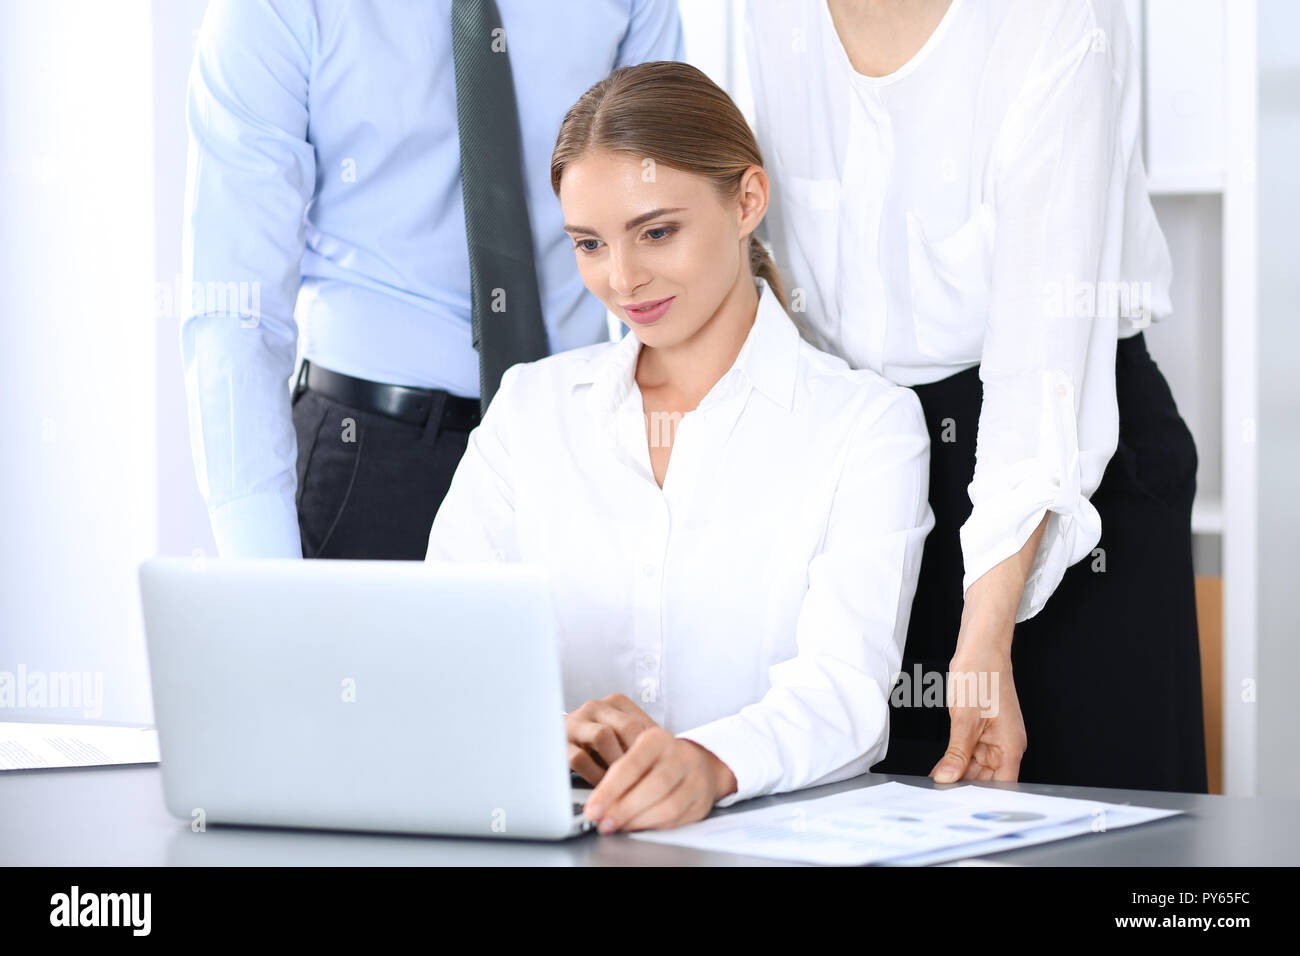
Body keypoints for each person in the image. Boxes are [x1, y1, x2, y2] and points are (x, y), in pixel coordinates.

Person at [425, 62, 935, 832]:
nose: (623, 279)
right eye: (589, 244)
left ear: (747, 202)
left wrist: (705, 763)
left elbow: (844, 693)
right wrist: (535, 737)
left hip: (773, 845)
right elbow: (440, 649)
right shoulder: (531, 410)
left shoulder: (867, 426)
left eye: (657, 231)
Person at [747, 0, 1208, 792]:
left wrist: (986, 630)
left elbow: (1040, 361)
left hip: (1070, 454)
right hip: (883, 464)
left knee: (1096, 828)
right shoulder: (772, 16)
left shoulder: (1053, 19)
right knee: (883, 811)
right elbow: (787, 280)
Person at [180, 0, 683, 561]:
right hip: (367, 462)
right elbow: (236, 302)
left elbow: (674, 216)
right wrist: (262, 580)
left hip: (577, 443)